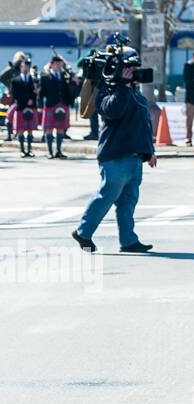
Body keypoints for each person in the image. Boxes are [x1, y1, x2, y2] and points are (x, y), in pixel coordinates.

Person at [71, 47, 155, 253]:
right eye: (130, 68)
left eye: (136, 68)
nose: (134, 72)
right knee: (107, 195)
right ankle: (83, 232)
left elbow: (144, 124)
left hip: (135, 157)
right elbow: (113, 111)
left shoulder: (135, 94)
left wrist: (149, 151)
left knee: (128, 202)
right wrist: (122, 85)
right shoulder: (107, 91)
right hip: (115, 155)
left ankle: (128, 240)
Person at [38, 55, 75, 158]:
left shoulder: (65, 76)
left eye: (60, 64)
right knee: (49, 128)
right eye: (56, 64)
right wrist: (40, 105)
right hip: (50, 104)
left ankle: (58, 151)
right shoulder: (45, 76)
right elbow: (41, 92)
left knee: (61, 129)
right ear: (52, 65)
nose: (58, 66)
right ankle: (50, 152)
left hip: (63, 104)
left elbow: (69, 90)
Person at [8, 56, 39, 157]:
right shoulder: (15, 80)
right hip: (21, 107)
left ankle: (29, 149)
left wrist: (32, 99)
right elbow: (14, 94)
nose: (25, 68)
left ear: (29, 68)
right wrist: (26, 101)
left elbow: (36, 92)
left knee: (30, 130)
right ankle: (22, 150)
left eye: (27, 67)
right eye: (24, 67)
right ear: (21, 68)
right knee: (20, 129)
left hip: (32, 107)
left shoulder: (33, 79)